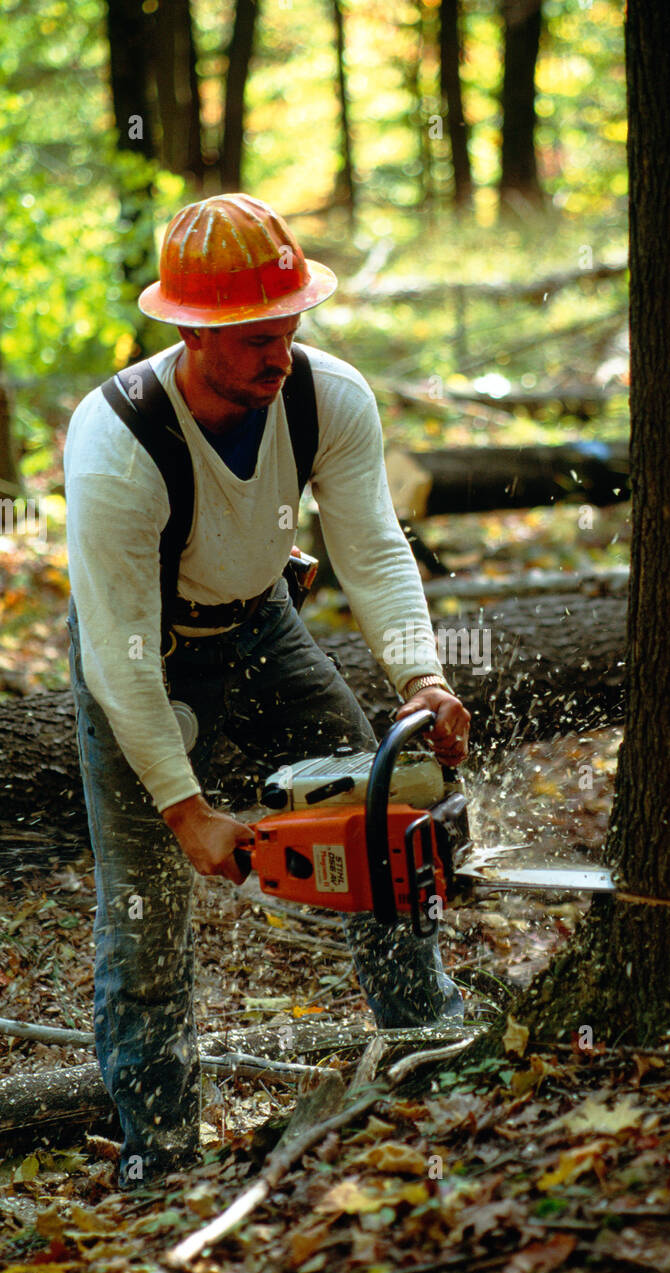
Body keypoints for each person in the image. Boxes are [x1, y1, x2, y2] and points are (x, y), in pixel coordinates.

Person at [64, 193, 471, 1189]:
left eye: (288, 331)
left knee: (381, 817)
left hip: (260, 619)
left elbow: (369, 544)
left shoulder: (326, 394)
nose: (279, 356)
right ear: (193, 333)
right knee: (147, 913)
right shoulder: (117, 443)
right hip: (142, 651)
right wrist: (185, 806)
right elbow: (116, 651)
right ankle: (160, 1158)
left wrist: (419, 671)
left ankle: (426, 1045)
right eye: (255, 341)